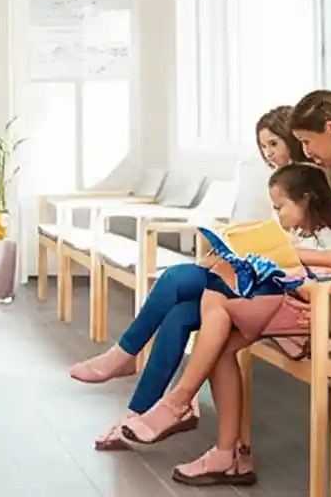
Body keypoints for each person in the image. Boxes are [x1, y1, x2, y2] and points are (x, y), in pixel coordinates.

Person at [122, 90, 331, 486]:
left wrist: (292, 255)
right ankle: (222, 448)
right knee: (218, 298)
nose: (306, 151)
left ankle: (187, 413)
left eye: (308, 141)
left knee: (220, 304)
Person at [71, 106, 307, 451]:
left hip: (273, 285)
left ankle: (124, 357)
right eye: (264, 147)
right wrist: (229, 251)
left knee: (176, 279)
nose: (269, 153)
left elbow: (294, 245)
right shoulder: (275, 182)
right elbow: (261, 231)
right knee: (178, 315)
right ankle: (134, 416)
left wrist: (243, 257)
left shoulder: (305, 183)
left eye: (274, 143)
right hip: (255, 275)